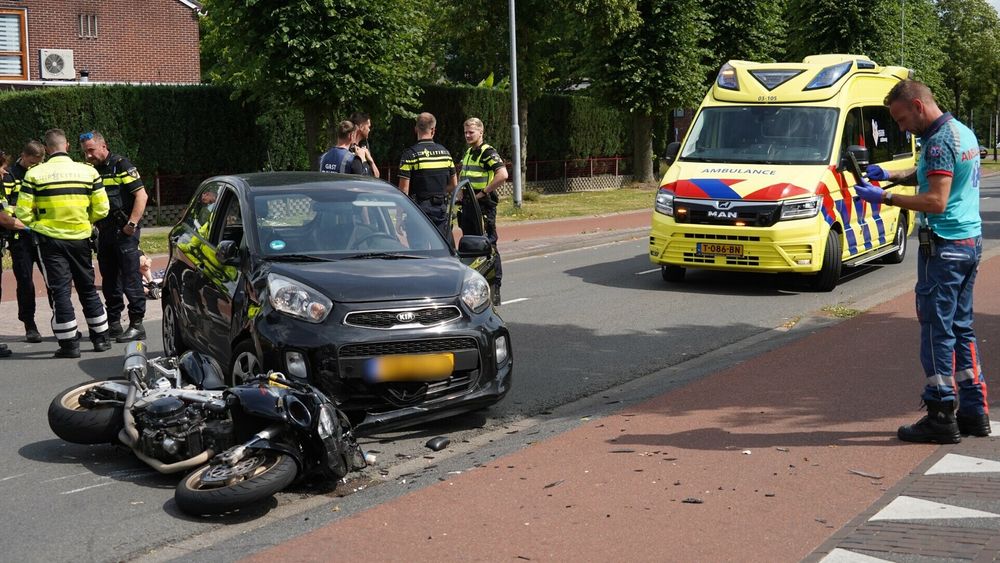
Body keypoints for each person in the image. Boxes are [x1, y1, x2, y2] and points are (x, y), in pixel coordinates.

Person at [856, 79, 988, 442]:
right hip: (969, 243)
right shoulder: (960, 132)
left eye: (900, 119)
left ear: (917, 106)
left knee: (935, 330)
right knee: (961, 328)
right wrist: (892, 176)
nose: (900, 127)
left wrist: (885, 199)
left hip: (943, 247)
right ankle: (975, 413)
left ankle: (941, 414)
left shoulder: (938, 141)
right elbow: (935, 173)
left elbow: (936, 201)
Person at [14, 129, 111, 358]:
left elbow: (22, 212)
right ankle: (101, 339)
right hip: (80, 238)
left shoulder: (35, 174)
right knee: (88, 289)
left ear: (47, 149)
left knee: (60, 292)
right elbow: (102, 208)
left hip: (50, 242)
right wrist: (86, 222)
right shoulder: (88, 172)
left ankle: (69, 345)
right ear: (67, 145)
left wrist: (41, 224)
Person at [80, 130, 148, 342]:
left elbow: (141, 195)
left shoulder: (121, 165)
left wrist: (132, 224)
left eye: (91, 150)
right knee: (109, 279)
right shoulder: (91, 170)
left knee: (130, 277)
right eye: (85, 152)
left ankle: (137, 323)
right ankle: (115, 322)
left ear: (103, 146)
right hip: (104, 232)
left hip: (124, 231)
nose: (88, 155)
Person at [459, 117, 508, 305]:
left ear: (481, 132)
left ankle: (495, 288)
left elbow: (502, 174)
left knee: (488, 246)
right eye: (465, 132)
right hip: (470, 207)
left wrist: (482, 193)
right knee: (471, 248)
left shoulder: (487, 152)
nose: (467, 135)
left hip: (483, 207)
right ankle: (477, 288)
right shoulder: (470, 152)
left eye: (471, 132)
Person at [2, 140, 46, 343]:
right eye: (31, 162)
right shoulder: (9, 176)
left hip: (43, 235)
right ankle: (30, 324)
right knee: (25, 283)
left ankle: (61, 323)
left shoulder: (40, 173)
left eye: (37, 163)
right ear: (24, 156)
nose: (33, 167)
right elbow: (7, 208)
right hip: (20, 239)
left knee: (53, 280)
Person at [398, 112, 457, 243]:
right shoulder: (445, 154)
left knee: (420, 255)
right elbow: (454, 185)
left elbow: (404, 192)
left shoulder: (410, 155)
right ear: (433, 130)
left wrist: (399, 218)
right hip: (440, 211)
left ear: (416, 129)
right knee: (444, 252)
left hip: (418, 212)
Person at [350, 111, 380, 178]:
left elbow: (377, 176)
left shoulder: (364, 147)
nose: (369, 130)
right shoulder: (349, 148)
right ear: (361, 127)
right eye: (368, 127)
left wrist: (371, 161)